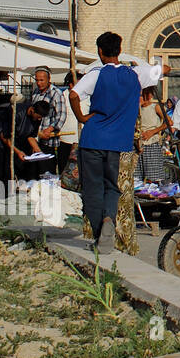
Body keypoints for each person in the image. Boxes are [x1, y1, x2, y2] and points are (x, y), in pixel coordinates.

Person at [69, 32, 141, 255]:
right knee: (112, 187)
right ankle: (109, 217)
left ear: (100, 51)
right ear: (119, 50)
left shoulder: (97, 74)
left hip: (93, 139)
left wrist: (81, 117)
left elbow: (73, 94)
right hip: (119, 143)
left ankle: (101, 232)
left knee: (92, 189)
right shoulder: (133, 77)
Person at [30, 66, 68, 173]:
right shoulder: (35, 93)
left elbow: (61, 115)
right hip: (36, 137)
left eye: (42, 80)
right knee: (35, 169)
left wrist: (50, 129)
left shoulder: (56, 93)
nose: (39, 83)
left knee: (47, 169)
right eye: (37, 80)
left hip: (48, 140)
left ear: (48, 79)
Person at [136, 85, 173, 182]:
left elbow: (169, 122)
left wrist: (152, 132)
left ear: (148, 96)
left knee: (153, 178)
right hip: (138, 146)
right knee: (136, 178)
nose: (139, 98)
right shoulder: (137, 109)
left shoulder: (155, 107)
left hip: (151, 145)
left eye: (141, 96)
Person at [57, 70, 81, 176]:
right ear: (71, 84)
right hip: (66, 140)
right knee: (65, 170)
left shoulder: (88, 96)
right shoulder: (62, 96)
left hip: (82, 139)